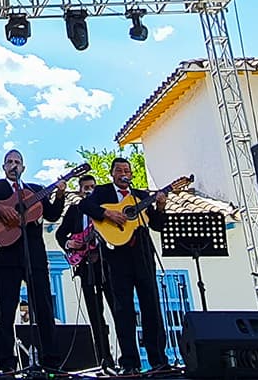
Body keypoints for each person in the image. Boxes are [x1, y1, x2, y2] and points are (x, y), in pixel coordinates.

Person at [0, 149, 65, 371]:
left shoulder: (36, 190)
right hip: (7, 256)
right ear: (4, 167)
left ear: (23, 167)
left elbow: (52, 214)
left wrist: (60, 195)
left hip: (35, 256)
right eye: (9, 162)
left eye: (17, 162)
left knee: (43, 308)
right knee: (6, 310)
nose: (14, 165)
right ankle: (6, 363)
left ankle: (50, 361)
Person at [79, 157, 170, 374]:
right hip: (117, 256)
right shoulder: (102, 192)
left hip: (143, 255)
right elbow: (85, 205)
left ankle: (158, 360)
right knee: (123, 310)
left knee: (151, 306)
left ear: (131, 174)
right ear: (112, 173)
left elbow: (157, 225)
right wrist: (108, 213)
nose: (123, 174)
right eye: (119, 170)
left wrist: (160, 206)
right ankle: (129, 363)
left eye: (127, 170)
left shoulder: (141, 196)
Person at [57, 173, 113, 370]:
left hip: (106, 265)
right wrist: (69, 243)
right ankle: (104, 359)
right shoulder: (75, 210)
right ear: (80, 191)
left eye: (92, 187)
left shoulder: (105, 209)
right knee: (95, 315)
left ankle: (127, 359)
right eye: (85, 187)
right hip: (86, 266)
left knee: (118, 310)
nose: (89, 190)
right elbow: (60, 234)